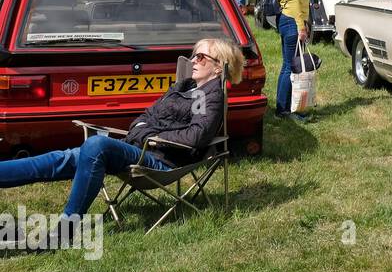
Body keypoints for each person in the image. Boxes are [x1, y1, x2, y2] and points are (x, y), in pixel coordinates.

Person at [0, 38, 243, 231]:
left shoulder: (210, 96)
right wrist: (144, 131)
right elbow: (144, 117)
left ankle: (67, 228)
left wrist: (149, 135)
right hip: (140, 148)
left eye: (201, 56)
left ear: (218, 66)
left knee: (96, 145)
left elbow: (195, 137)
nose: (194, 60)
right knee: (62, 159)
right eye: (193, 55)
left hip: (161, 161)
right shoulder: (183, 87)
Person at [275, 0, 316, 123]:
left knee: (287, 66)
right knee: (291, 68)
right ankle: (286, 109)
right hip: (292, 20)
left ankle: (284, 107)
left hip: (286, 18)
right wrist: (301, 26)